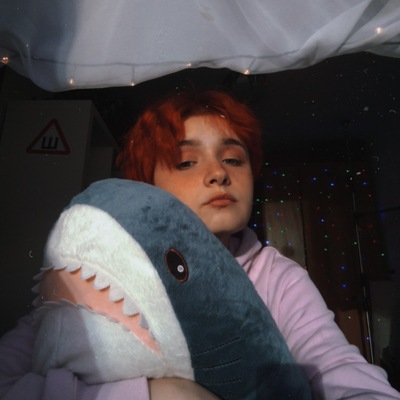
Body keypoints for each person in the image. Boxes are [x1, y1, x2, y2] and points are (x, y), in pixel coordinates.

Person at [0, 89, 399, 400]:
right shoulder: (97, 271)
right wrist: (155, 394)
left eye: (234, 159)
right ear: (146, 187)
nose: (218, 174)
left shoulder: (277, 277)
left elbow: (336, 369)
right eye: (186, 162)